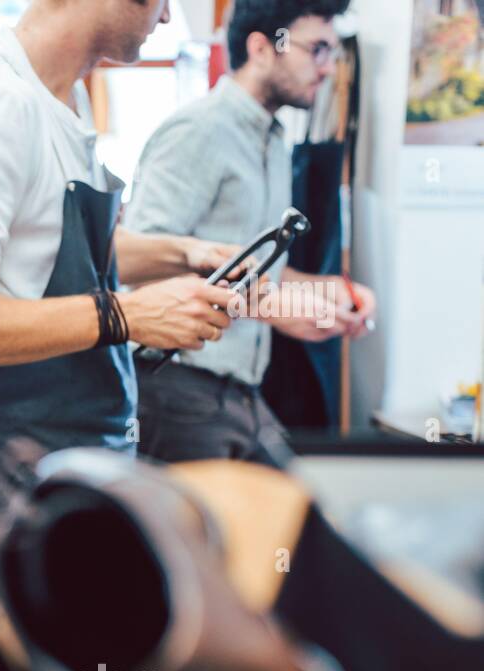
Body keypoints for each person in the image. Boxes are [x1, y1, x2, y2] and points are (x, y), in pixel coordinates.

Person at [0, 0, 246, 557]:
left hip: (71, 468)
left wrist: (187, 253)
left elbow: (62, 251)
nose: (165, 19)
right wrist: (127, 316)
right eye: (163, 2)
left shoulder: (67, 96)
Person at [125, 0, 376, 466]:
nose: (326, 69)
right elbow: (140, 271)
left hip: (238, 391)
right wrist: (277, 311)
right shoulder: (199, 130)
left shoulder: (274, 140)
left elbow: (260, 276)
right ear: (262, 48)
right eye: (316, 50)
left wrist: (334, 292)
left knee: (297, 511)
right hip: (179, 390)